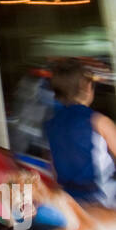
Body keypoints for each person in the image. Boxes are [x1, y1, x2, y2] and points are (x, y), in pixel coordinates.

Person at [45, 59, 116, 209]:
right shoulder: (98, 121)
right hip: (101, 200)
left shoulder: (51, 124)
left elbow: (55, 171)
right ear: (86, 86)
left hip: (68, 202)